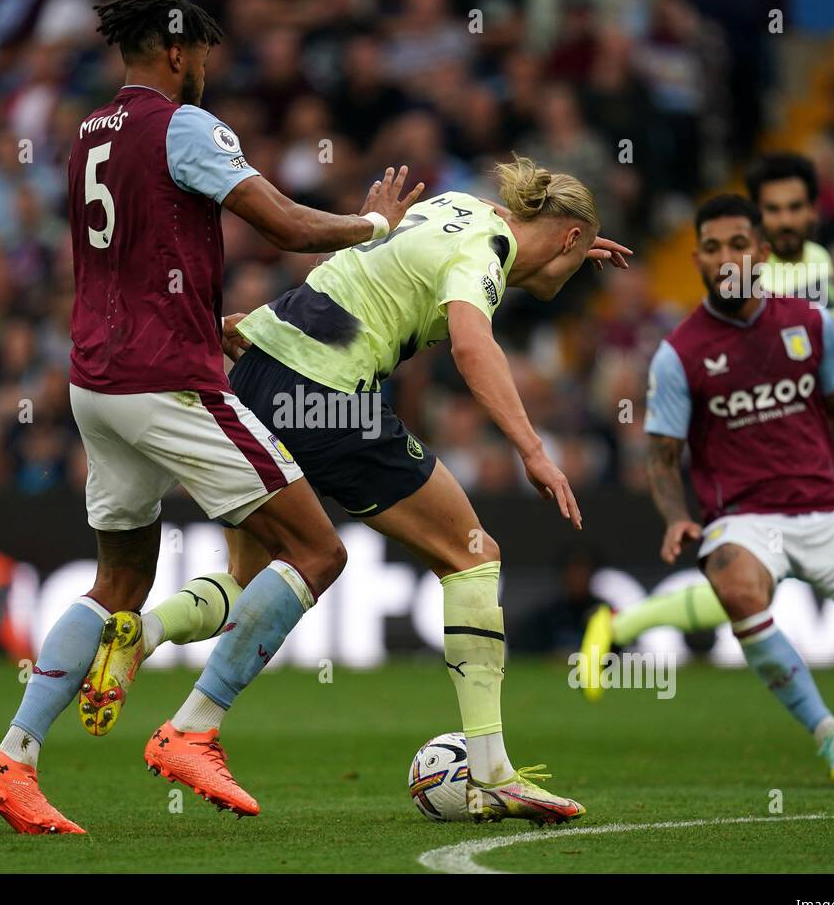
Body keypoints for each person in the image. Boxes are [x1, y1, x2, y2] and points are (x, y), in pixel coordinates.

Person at [0, 0, 422, 834]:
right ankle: (194, 727)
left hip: (96, 383)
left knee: (120, 582)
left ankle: (13, 758)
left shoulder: (87, 135)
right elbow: (283, 223)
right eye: (206, 52)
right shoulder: (185, 126)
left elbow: (120, 266)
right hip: (165, 386)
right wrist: (372, 227)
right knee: (318, 551)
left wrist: (202, 321)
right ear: (179, 50)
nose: (210, 68)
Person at [128, 155, 631, 824]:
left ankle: (140, 634)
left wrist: (560, 251)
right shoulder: (489, 248)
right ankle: (492, 773)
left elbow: (395, 267)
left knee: (247, 582)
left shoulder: (457, 210)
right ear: (567, 237)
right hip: (327, 394)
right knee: (472, 553)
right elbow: (472, 345)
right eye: (573, 254)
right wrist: (534, 452)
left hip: (257, 367)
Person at [580, 154, 834, 759]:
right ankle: (626, 625)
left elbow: (816, 347)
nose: (786, 220)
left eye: (795, 207)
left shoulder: (818, 267)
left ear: (813, 211)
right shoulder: (735, 296)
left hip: (820, 453)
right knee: (743, 589)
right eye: (774, 208)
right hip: (755, 473)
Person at [642, 193, 834, 786]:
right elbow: (661, 456)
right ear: (697, 260)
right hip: (743, 516)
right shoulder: (678, 353)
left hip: (827, 504)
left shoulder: (812, 323)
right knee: (738, 589)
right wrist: (673, 516)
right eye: (712, 248)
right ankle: (828, 737)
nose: (727, 257)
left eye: (739, 243)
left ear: (761, 252)